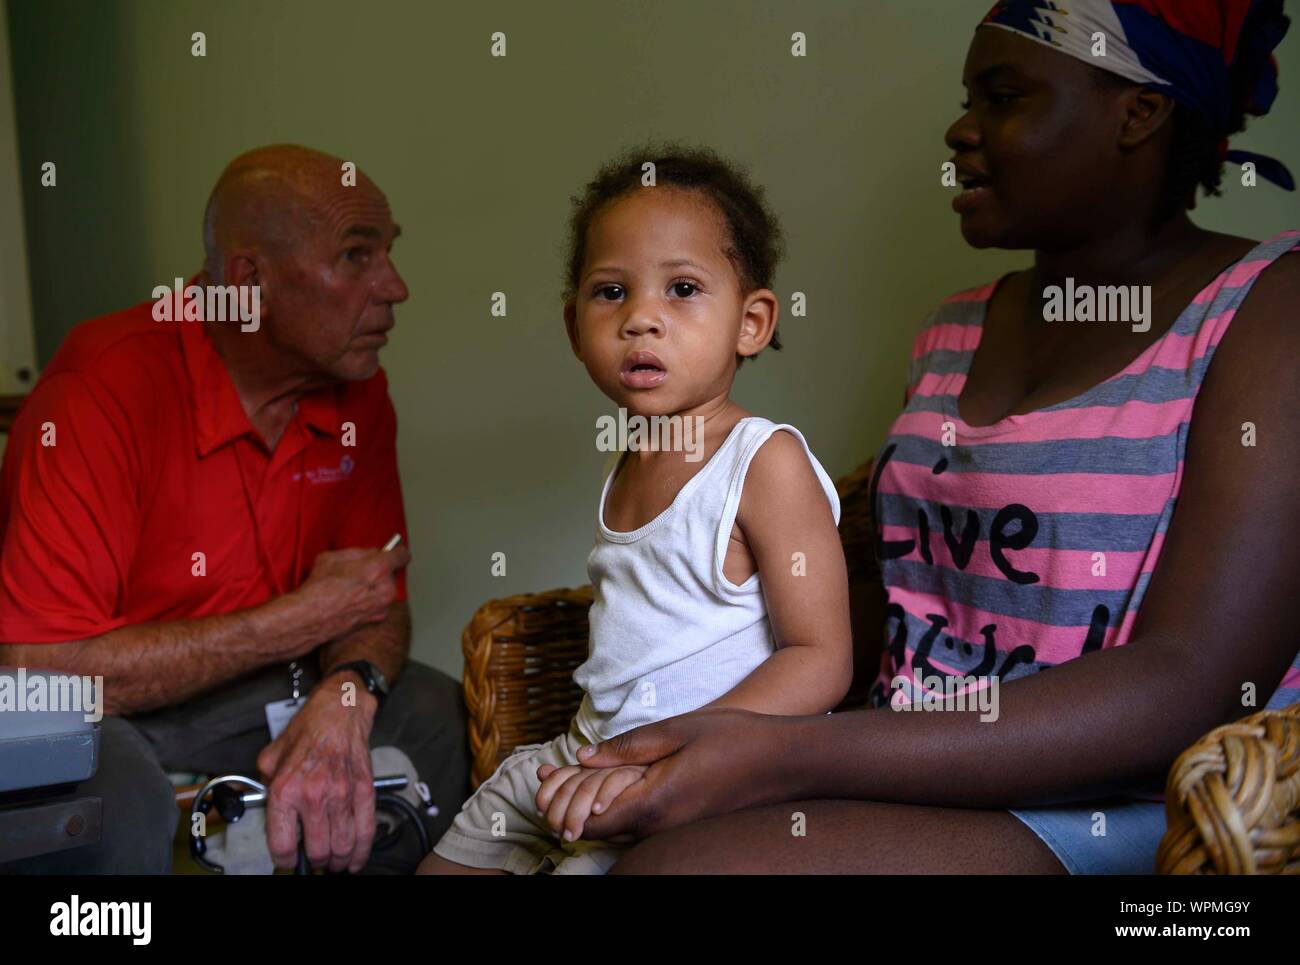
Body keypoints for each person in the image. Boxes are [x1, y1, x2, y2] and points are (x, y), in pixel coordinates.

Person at [563, 0, 1300, 874]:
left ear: (1135, 112)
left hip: (1123, 804)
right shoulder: (951, 332)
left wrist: (780, 751)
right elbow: (911, 594)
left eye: (1003, 95)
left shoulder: (1267, 310)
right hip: (900, 759)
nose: (960, 128)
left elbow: (1192, 682)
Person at [0, 145, 470, 874]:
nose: (395, 287)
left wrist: (349, 692)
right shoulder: (101, 386)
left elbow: (376, 600)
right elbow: (40, 672)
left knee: (435, 719)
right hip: (97, 704)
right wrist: (295, 621)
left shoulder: (357, 388)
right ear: (250, 280)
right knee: (111, 812)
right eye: (355, 256)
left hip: (256, 691)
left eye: (388, 252)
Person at [419, 147, 853, 874]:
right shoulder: (628, 457)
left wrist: (675, 749)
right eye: (610, 292)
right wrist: (602, 761)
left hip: (712, 775)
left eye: (682, 288)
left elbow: (822, 658)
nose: (641, 319)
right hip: (587, 754)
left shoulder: (762, 462)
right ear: (572, 328)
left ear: (751, 322)